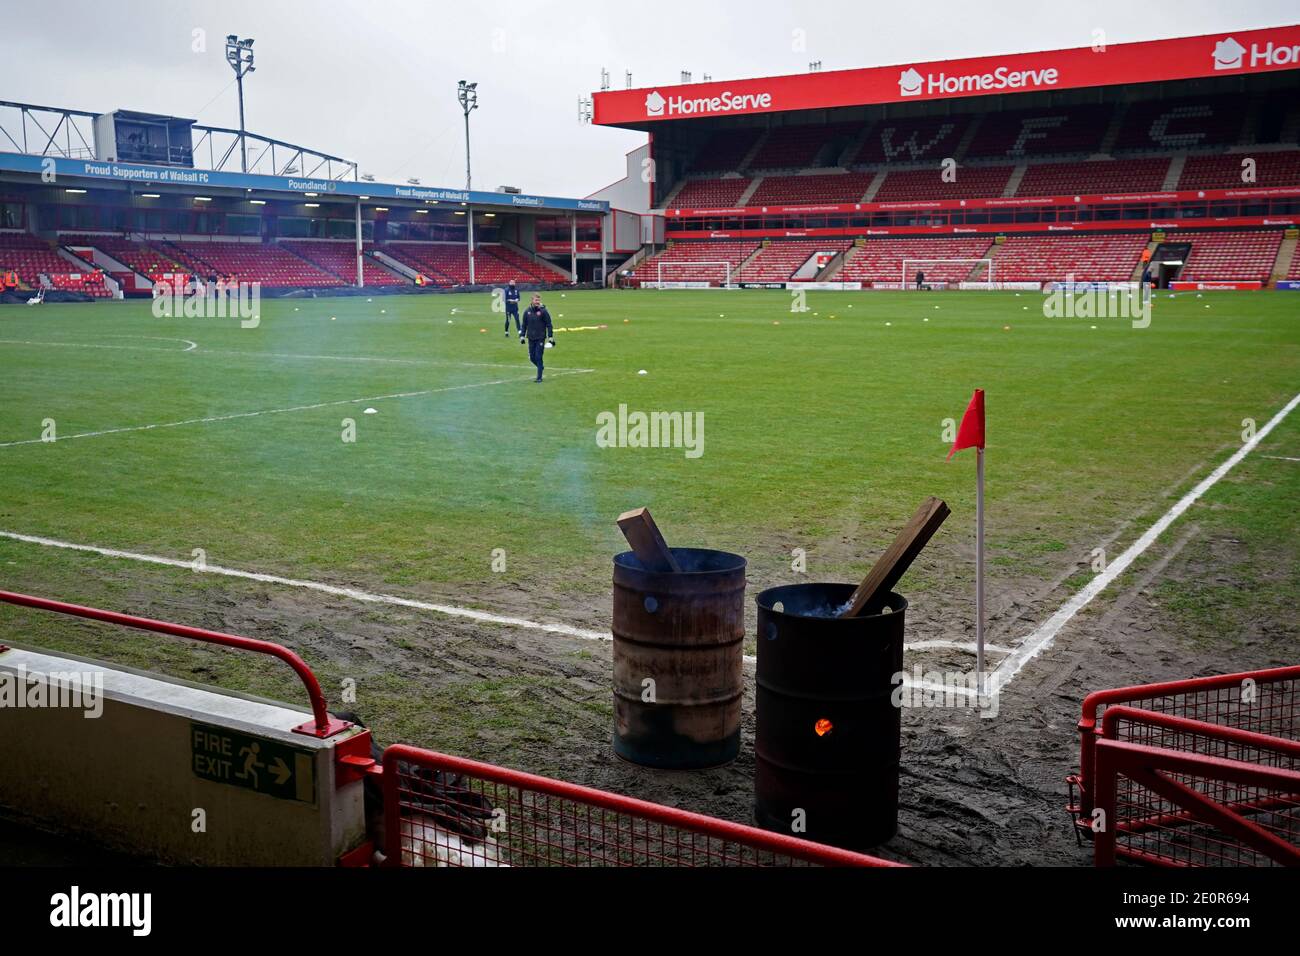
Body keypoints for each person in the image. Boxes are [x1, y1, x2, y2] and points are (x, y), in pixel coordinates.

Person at [520, 293, 554, 382]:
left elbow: (549, 324)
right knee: (532, 358)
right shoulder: (527, 311)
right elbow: (524, 325)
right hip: (531, 337)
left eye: (538, 300)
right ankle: (540, 367)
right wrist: (522, 336)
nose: (537, 302)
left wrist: (550, 336)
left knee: (538, 356)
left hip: (540, 337)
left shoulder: (543, 311)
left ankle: (539, 377)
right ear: (532, 300)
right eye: (536, 300)